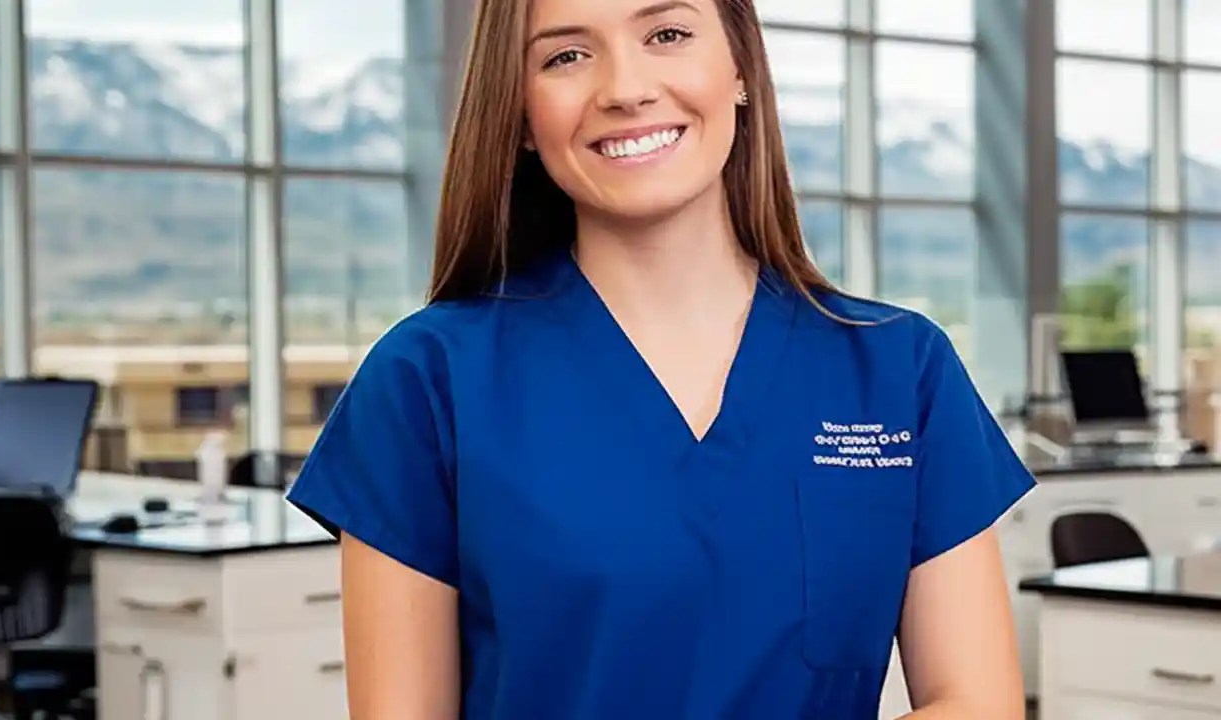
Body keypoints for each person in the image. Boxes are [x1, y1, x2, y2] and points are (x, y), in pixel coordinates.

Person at [285, 0, 1036, 717]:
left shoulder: (900, 370)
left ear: (741, 67)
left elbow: (978, 702)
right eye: (567, 55)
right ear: (518, 113)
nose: (626, 88)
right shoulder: (427, 381)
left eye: (668, 34)